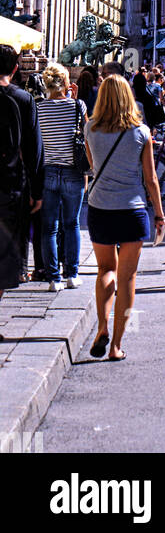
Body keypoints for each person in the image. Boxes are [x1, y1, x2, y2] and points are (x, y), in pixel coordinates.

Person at [84, 73, 165, 360]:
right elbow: (151, 178)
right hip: (132, 209)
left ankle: (101, 328)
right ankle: (117, 345)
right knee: (127, 277)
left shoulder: (90, 128)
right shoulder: (141, 132)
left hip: (100, 208)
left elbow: (94, 167)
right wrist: (159, 214)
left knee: (105, 270)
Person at [0, 46, 44, 327]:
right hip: (11, 187)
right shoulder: (24, 99)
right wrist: (37, 192)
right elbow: (34, 150)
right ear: (15, 69)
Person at [37, 63, 88, 292]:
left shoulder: (39, 108)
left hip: (48, 171)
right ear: (66, 83)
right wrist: (76, 101)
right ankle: (72, 274)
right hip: (72, 171)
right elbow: (87, 136)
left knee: (49, 227)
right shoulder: (78, 106)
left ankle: (53, 278)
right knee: (72, 223)